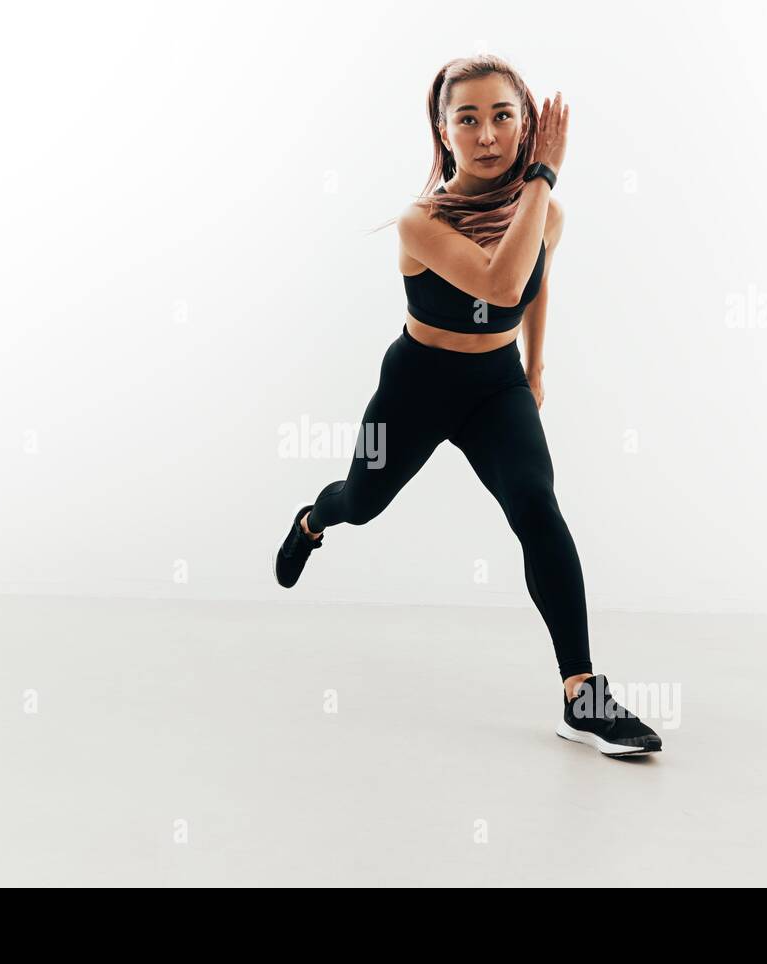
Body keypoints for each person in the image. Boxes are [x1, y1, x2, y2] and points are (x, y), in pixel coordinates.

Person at [274, 55, 661, 757]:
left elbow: (537, 285)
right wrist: (542, 175)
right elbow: (500, 281)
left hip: (496, 387)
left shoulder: (548, 210)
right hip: (417, 384)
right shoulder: (418, 221)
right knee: (361, 500)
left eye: (503, 116)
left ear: (527, 123)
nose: (488, 134)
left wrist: (536, 369)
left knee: (537, 508)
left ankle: (582, 693)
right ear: (444, 130)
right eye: (469, 118)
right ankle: (312, 519)